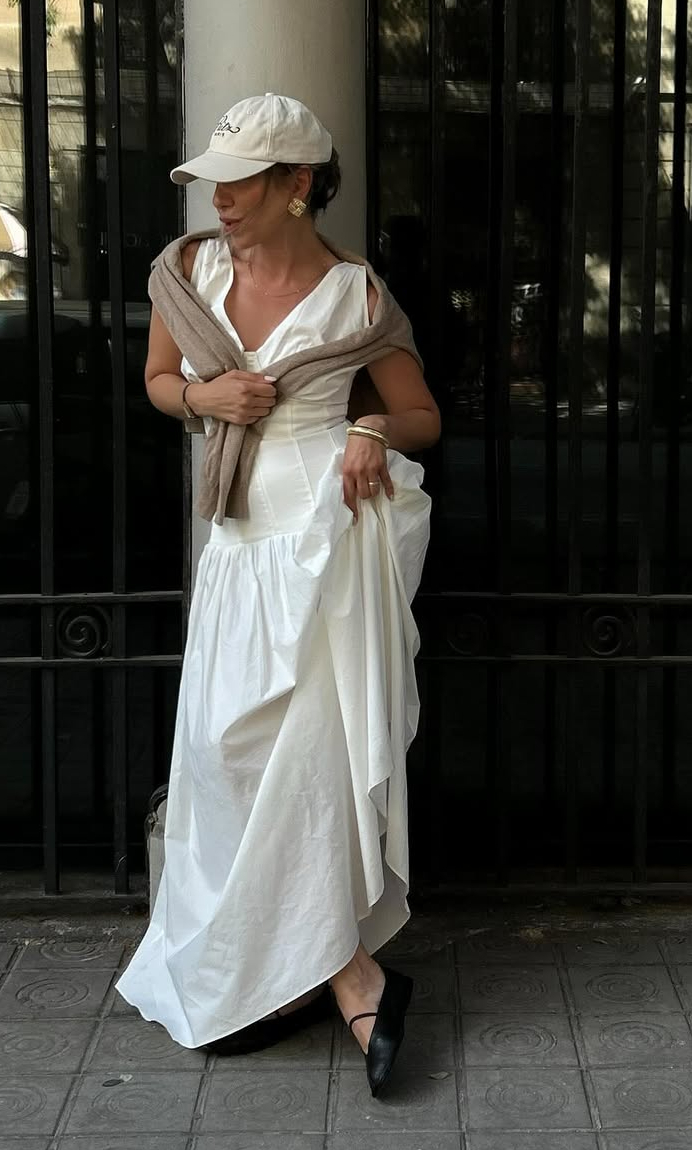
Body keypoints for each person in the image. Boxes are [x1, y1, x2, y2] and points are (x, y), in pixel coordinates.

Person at [115, 94, 440, 1098]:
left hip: (325, 553)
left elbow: (421, 409)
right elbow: (160, 381)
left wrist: (372, 431)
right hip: (238, 549)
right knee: (226, 761)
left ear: (299, 186)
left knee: (311, 768)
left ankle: (338, 979)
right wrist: (205, 399)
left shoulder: (354, 293)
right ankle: (325, 970)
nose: (223, 200)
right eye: (215, 181)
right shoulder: (193, 273)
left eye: (243, 182)